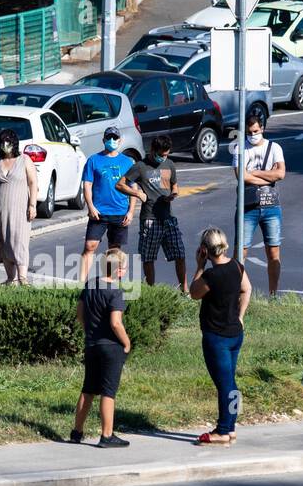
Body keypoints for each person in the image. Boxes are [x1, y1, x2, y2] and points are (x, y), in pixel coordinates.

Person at [190, 227, 252, 446]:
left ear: (205, 249)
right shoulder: (236, 266)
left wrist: (199, 266)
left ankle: (223, 430)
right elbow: (247, 289)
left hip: (216, 337)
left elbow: (193, 293)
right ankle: (231, 426)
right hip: (236, 333)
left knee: (226, 384)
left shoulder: (211, 275)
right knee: (230, 383)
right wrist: (241, 315)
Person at [69, 249, 132, 448]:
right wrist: (127, 342)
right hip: (110, 347)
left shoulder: (90, 284)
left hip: (91, 344)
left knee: (88, 389)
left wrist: (90, 332)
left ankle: (76, 431)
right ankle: (106, 435)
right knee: (108, 391)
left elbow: (79, 314)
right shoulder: (115, 291)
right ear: (119, 270)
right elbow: (116, 323)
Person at [117, 134, 186, 291]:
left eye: (166, 154)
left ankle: (184, 290)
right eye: (161, 154)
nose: (163, 157)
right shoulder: (140, 166)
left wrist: (173, 195)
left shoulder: (170, 165)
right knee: (149, 258)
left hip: (168, 217)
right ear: (153, 150)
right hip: (150, 219)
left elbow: (175, 185)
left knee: (180, 254)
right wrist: (138, 194)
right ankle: (151, 290)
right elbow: (120, 185)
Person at [234, 115, 286, 297]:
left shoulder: (274, 148)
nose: (252, 135)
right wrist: (266, 175)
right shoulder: (240, 149)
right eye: (249, 133)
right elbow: (241, 175)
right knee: (241, 252)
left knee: (273, 251)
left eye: (255, 131)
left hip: (271, 206)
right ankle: (239, 291)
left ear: (262, 128)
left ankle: (273, 294)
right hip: (247, 208)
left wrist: (254, 173)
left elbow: (280, 174)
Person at [79, 126, 135, 282]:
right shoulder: (93, 160)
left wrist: (131, 212)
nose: (112, 141)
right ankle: (81, 284)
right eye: (109, 138)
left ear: (120, 140)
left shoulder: (127, 162)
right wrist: (90, 206)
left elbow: (133, 188)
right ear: (103, 140)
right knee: (90, 246)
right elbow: (87, 185)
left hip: (120, 212)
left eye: (115, 138)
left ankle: (111, 283)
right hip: (99, 212)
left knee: (114, 250)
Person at [0, 128, 38, 285]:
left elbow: (33, 182)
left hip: (20, 210)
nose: (4, 144)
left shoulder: (24, 160)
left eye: (7, 141)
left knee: (18, 241)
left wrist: (32, 205)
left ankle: (23, 278)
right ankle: (10, 278)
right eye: (2, 142)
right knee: (2, 241)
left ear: (14, 143)